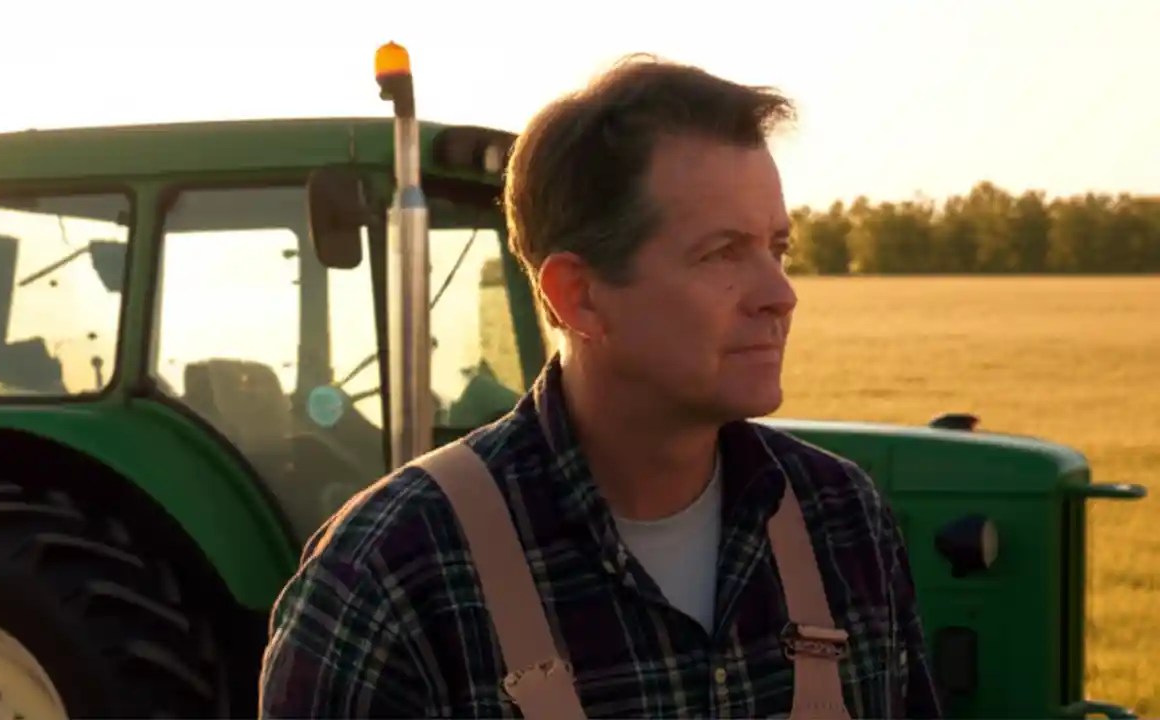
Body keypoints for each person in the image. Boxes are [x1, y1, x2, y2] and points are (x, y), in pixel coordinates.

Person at [259, 54, 942, 719]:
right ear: (579, 298)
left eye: (778, 247)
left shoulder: (844, 522)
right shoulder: (392, 577)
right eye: (722, 253)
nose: (780, 294)